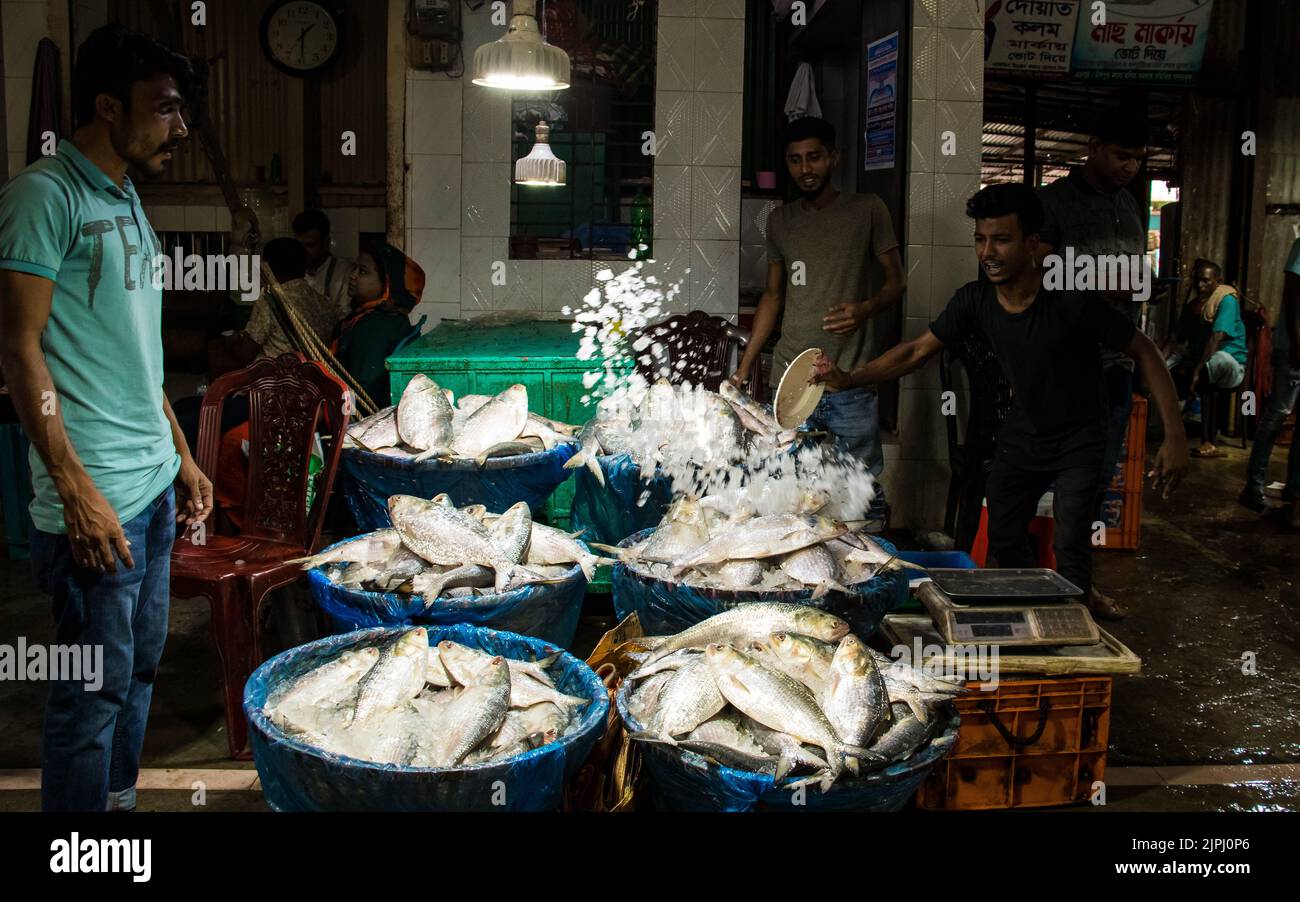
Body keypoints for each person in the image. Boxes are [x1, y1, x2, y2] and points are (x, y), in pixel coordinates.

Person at [0, 25, 212, 812]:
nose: (178, 129)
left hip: (152, 488)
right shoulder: (41, 198)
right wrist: (74, 489)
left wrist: (182, 456)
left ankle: (114, 820)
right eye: (163, 109)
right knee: (89, 697)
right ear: (105, 106)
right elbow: (20, 353)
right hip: (96, 503)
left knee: (140, 666)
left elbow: (135, 351)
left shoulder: (123, 196)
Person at [814, 184, 1187, 606]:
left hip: (1079, 437)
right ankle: (1028, 617)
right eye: (980, 239)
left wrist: (1174, 437)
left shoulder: (1070, 299)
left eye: (1001, 240)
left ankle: (1073, 628)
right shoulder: (975, 301)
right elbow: (916, 351)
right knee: (1004, 540)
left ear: (1031, 244)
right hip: (1022, 432)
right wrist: (850, 378)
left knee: (1071, 546)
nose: (988, 251)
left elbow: (1145, 350)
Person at [729, 116, 905, 530]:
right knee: (791, 491)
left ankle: (864, 581)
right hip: (791, 379)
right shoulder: (780, 221)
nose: (805, 169)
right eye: (795, 160)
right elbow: (773, 297)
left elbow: (897, 283)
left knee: (856, 494)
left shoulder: (867, 210)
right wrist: (744, 367)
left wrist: (866, 308)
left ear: (833, 158)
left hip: (850, 378)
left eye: (814, 158)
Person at [1036, 112, 1148, 618]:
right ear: (1095, 145)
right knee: (1053, 477)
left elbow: (1134, 279)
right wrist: (1098, 286)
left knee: (1098, 478)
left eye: (1138, 158)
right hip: (1065, 363)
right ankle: (1036, 581)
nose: (1130, 166)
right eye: (1122, 155)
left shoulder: (1128, 205)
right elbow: (1034, 278)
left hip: (1117, 364)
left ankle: (1078, 586)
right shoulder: (1053, 205)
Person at [175, 238, 338, 452]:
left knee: (182, 416)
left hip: (265, 398)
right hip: (306, 397)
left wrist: (233, 342)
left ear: (267, 267)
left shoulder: (271, 299)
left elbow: (244, 355)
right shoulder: (323, 303)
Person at [1241, 235, 1300, 524]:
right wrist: (1297, 344)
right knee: (1277, 415)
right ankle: (1253, 486)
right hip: (1293, 350)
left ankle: (1294, 494)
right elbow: (1291, 296)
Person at [1162, 260, 1247, 458]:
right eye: (1197, 281)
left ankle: (1209, 441)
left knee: (1214, 362)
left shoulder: (1226, 300)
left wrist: (1198, 370)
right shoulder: (1194, 306)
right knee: (1167, 364)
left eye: (1206, 281)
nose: (1200, 286)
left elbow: (1216, 337)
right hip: (1201, 361)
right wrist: (1157, 361)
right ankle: (1174, 420)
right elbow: (1175, 337)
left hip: (1230, 365)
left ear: (1218, 281)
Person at [334, 240, 424, 408]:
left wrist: (338, 423)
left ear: (387, 285)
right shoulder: (392, 318)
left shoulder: (373, 328)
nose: (353, 275)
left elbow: (361, 390)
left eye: (363, 271)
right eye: (354, 268)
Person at [294, 209, 352, 320]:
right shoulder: (289, 271)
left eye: (310, 245)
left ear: (326, 242)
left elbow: (345, 317)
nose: (302, 251)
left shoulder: (344, 272)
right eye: (299, 245)